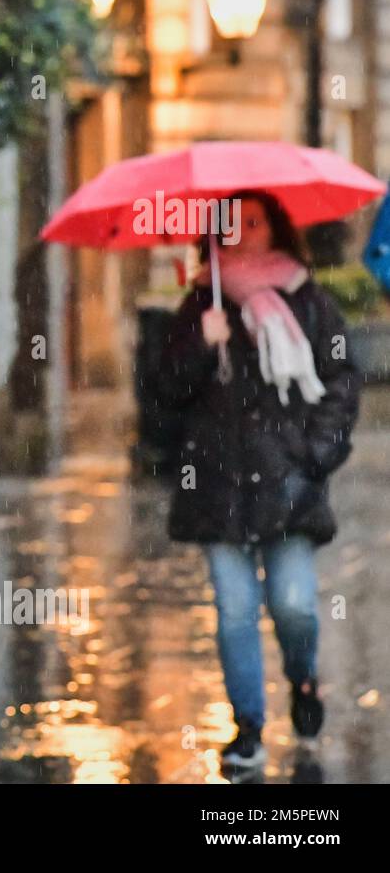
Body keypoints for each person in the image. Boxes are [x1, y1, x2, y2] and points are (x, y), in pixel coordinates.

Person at [158, 189, 361, 775]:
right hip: (218, 491)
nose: (242, 232)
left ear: (275, 229)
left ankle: (302, 679)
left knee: (294, 604)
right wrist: (204, 341)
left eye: (254, 221)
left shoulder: (310, 301)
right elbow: (164, 392)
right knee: (235, 611)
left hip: (290, 485)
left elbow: (341, 378)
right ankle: (247, 727)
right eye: (231, 224)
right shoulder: (199, 303)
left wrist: (315, 454)